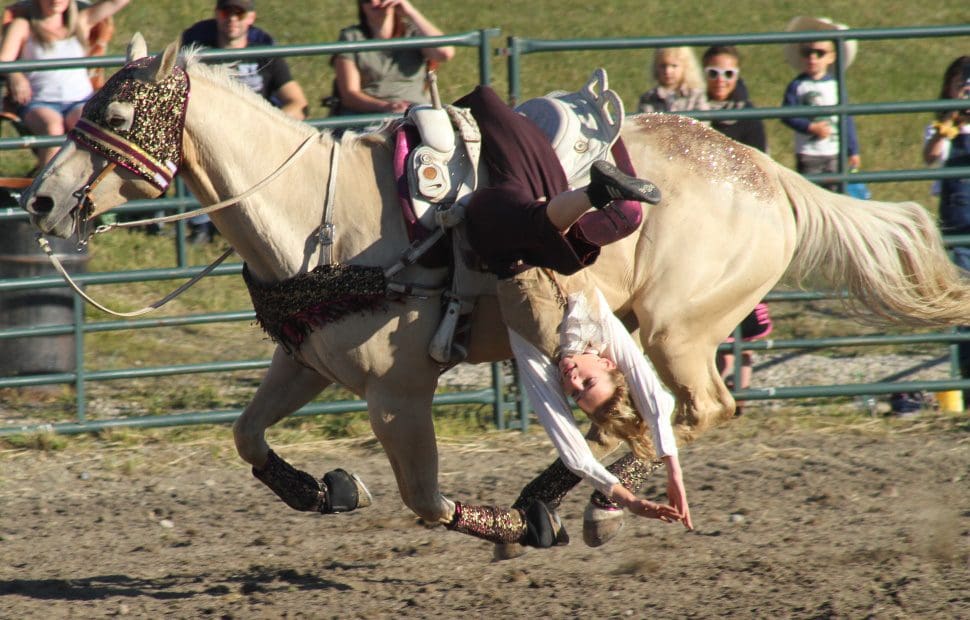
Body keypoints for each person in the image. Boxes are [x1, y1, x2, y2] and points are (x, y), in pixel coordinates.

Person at [438, 85, 692, 548]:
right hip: (544, 197)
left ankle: (597, 193)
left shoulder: (539, 363)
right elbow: (660, 401)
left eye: (576, 395)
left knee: (518, 192)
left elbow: (574, 454)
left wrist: (626, 498)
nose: (573, 383)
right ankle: (605, 177)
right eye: (588, 384)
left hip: (501, 233)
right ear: (611, 366)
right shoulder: (604, 333)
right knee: (486, 104)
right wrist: (671, 466)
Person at [181, 0, 308, 243]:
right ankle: (201, 225)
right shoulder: (197, 49)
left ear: (251, 17)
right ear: (217, 15)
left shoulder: (264, 50)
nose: (232, 19)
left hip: (253, 136)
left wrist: (270, 126)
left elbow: (297, 102)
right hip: (210, 131)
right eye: (225, 12)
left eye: (239, 13)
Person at [700, 44, 772, 407]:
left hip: (741, 220)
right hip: (708, 224)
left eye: (728, 73)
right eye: (713, 73)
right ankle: (719, 388)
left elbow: (759, 164)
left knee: (744, 304)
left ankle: (738, 389)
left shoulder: (746, 115)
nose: (721, 81)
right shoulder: (696, 113)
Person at [0, 0, 129, 166]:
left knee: (89, 127)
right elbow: (4, 60)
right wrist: (16, 76)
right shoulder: (23, 25)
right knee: (53, 128)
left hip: (80, 100)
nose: (55, 1)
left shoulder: (80, 22)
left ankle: (86, 185)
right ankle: (44, 188)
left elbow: (116, 2)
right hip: (40, 102)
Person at [923, 55, 970, 411]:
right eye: (961, 83)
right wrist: (948, 125)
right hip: (956, 221)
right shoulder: (942, 126)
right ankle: (961, 381)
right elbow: (931, 157)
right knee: (961, 300)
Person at [330, 0, 454, 115]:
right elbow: (350, 95)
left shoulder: (414, 33)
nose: (374, 1)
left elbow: (445, 53)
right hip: (370, 117)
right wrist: (387, 107)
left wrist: (410, 12)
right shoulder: (351, 37)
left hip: (415, 113)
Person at [780, 16, 860, 193]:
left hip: (834, 152)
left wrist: (852, 149)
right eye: (807, 52)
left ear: (832, 57)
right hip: (809, 153)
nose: (812, 58)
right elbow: (787, 114)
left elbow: (846, 118)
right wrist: (810, 127)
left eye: (819, 53)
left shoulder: (836, 86)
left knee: (836, 195)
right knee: (810, 194)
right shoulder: (798, 85)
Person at [637, 46, 708, 114]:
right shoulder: (649, 98)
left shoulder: (696, 95)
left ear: (686, 67)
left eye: (674, 66)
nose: (668, 71)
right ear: (656, 67)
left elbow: (703, 122)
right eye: (663, 66)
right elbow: (644, 123)